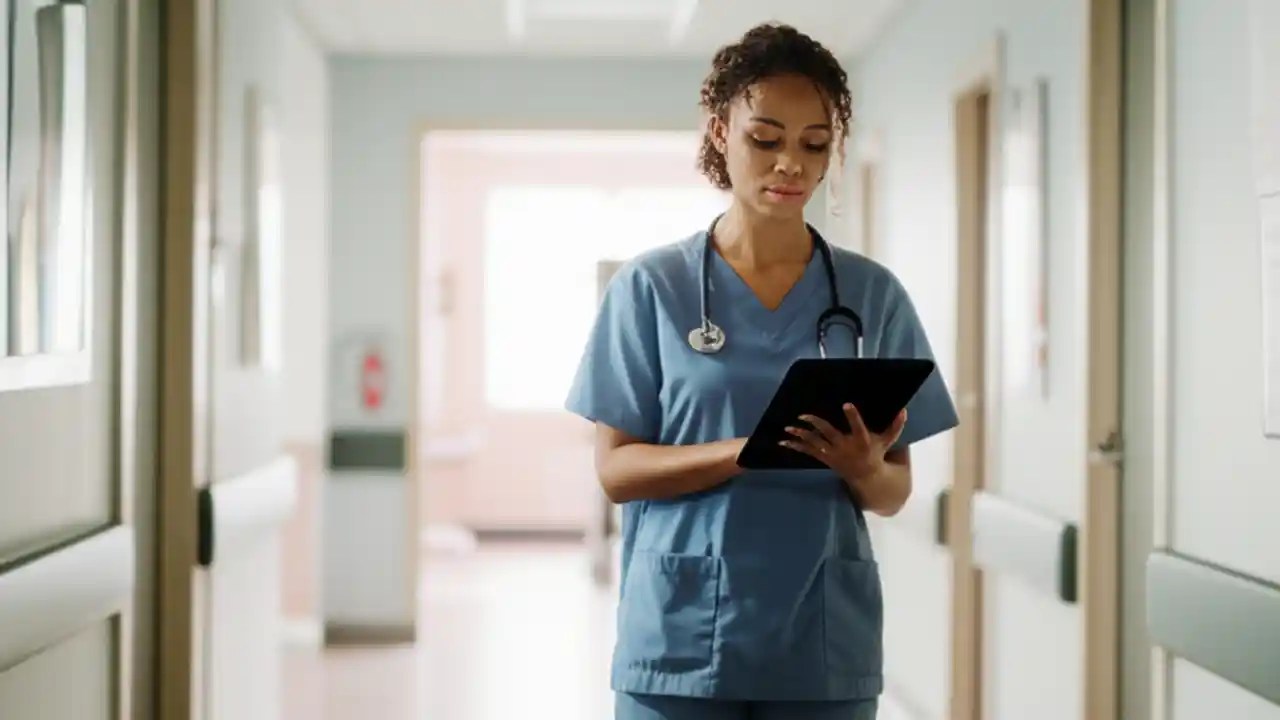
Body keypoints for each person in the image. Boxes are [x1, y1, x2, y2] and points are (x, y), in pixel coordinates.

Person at [564, 22, 959, 720]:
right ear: (721, 133)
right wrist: (742, 453)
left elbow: (894, 490)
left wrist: (862, 466)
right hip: (679, 645)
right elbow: (615, 472)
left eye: (814, 144)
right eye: (766, 139)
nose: (791, 165)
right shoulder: (652, 288)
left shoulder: (871, 296)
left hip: (822, 643)